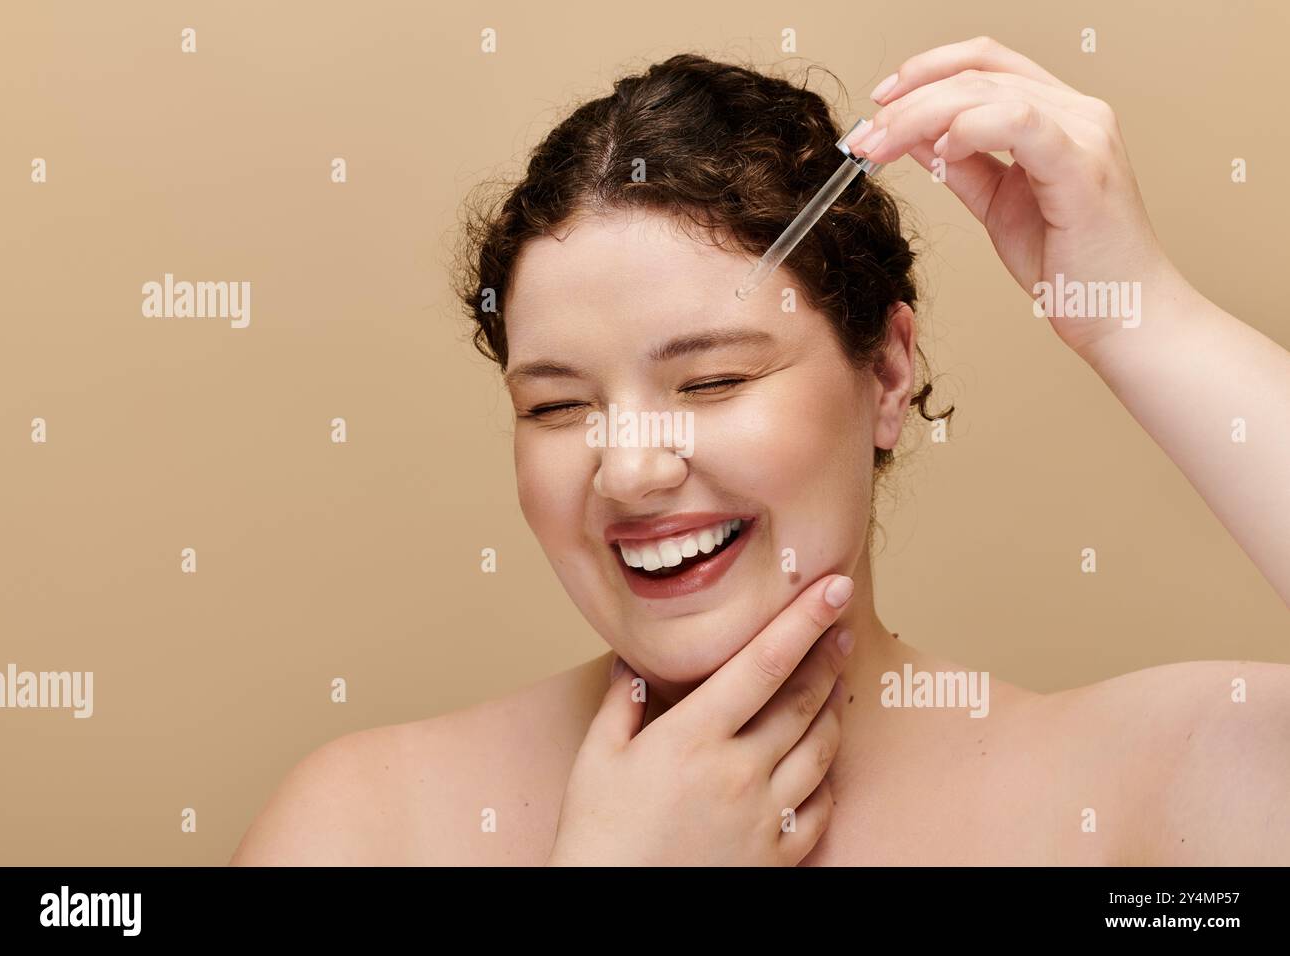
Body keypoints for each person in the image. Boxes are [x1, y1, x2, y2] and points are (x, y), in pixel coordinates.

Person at [231, 38, 1290, 866]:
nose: (631, 471)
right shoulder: (366, 823)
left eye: (713, 381)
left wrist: (1140, 313)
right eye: (557, 407)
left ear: (884, 376)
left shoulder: (1148, 789)